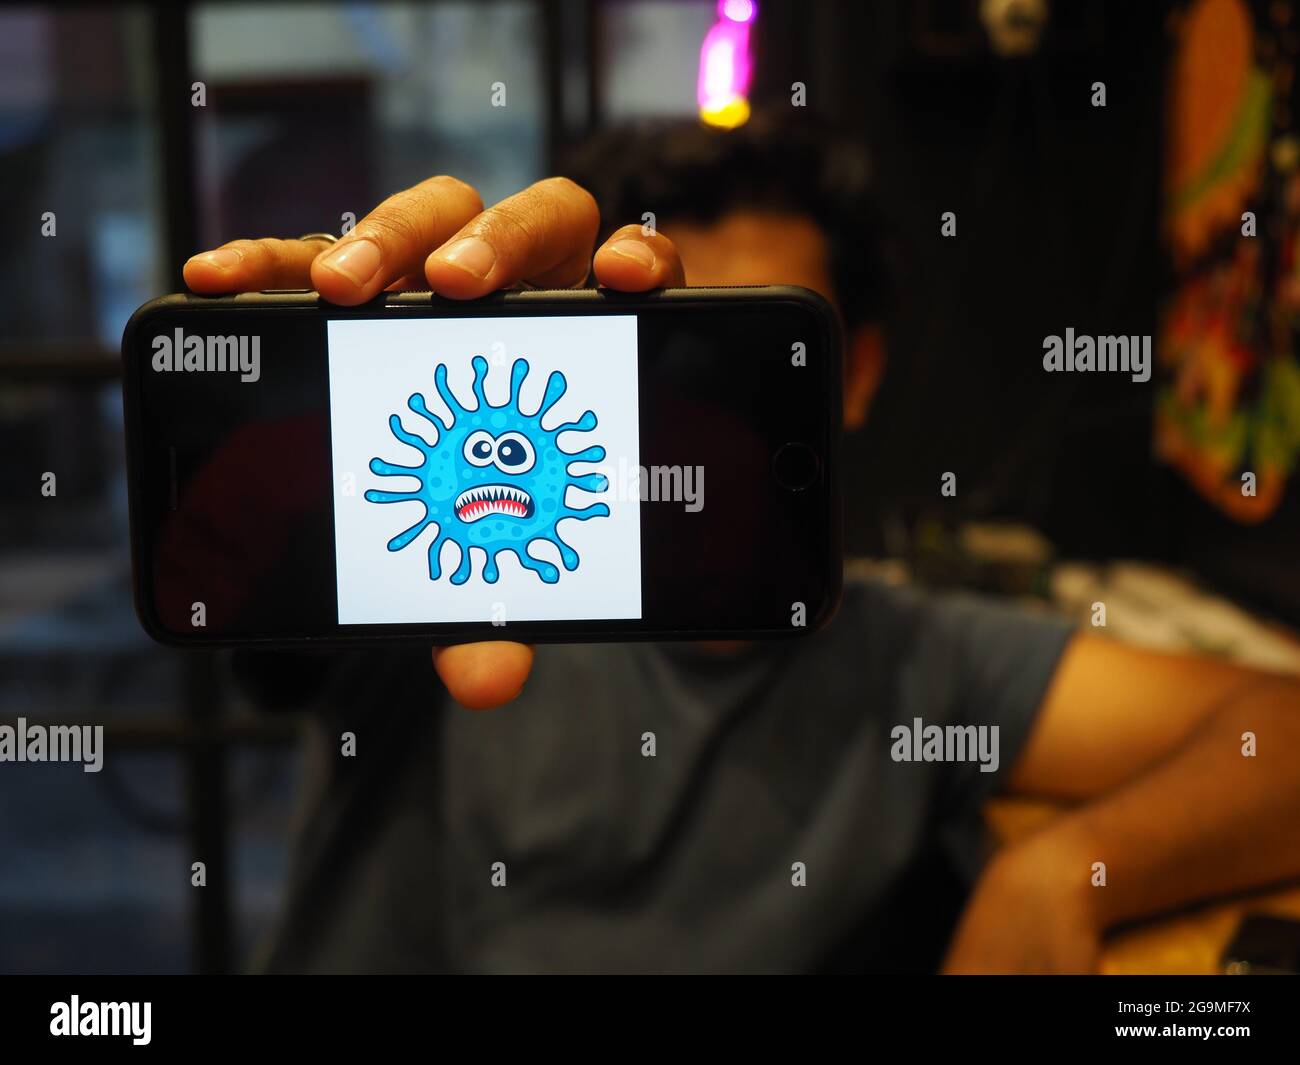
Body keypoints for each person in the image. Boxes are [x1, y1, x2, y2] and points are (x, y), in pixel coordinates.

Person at [184, 114, 1300, 974]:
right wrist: (296, 422)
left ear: (854, 373)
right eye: (669, 355)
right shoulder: (477, 590)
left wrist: (1070, 868)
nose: (702, 417)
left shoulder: (911, 661)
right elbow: (259, 614)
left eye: (748, 355)